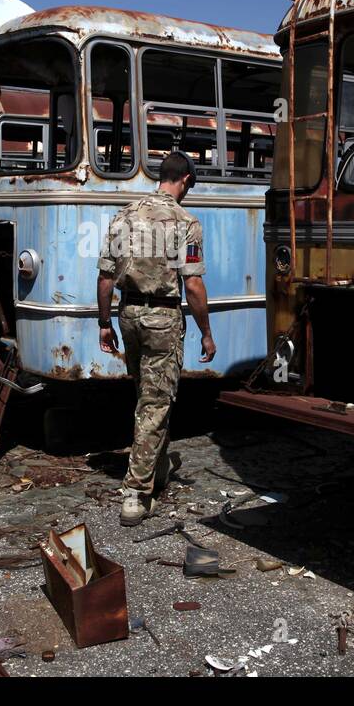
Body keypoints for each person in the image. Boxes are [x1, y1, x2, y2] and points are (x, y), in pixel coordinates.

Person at [96, 151, 216, 526]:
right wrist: (206, 333)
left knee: (147, 395)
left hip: (128, 315)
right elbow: (193, 284)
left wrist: (104, 323)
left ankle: (157, 465)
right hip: (163, 318)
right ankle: (136, 492)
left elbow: (104, 278)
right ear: (186, 182)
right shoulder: (185, 222)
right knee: (156, 401)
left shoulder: (123, 216)